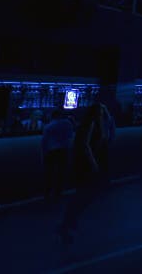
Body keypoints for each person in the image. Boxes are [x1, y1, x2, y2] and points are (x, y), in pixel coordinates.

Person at [58, 103, 109, 243]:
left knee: (84, 193)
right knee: (85, 193)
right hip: (86, 163)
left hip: (85, 162)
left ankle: (69, 222)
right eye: (101, 111)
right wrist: (93, 162)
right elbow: (86, 145)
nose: (103, 113)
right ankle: (68, 223)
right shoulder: (91, 124)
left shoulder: (94, 123)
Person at [42, 109, 74, 198]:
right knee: (61, 172)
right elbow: (70, 136)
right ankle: (58, 192)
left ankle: (47, 193)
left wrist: (43, 153)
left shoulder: (48, 126)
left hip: (51, 151)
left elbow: (44, 141)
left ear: (52, 116)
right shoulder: (67, 123)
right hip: (64, 150)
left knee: (50, 173)